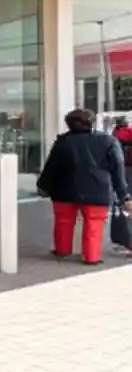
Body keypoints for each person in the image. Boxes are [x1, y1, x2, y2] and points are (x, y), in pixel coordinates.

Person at [37, 108, 132, 266]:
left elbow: (51, 167)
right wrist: (123, 195)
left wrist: (43, 186)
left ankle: (62, 251)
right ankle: (91, 257)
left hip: (64, 190)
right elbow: (117, 169)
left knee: (63, 221)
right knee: (94, 224)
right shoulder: (107, 141)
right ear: (92, 123)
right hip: (97, 190)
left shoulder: (62, 142)